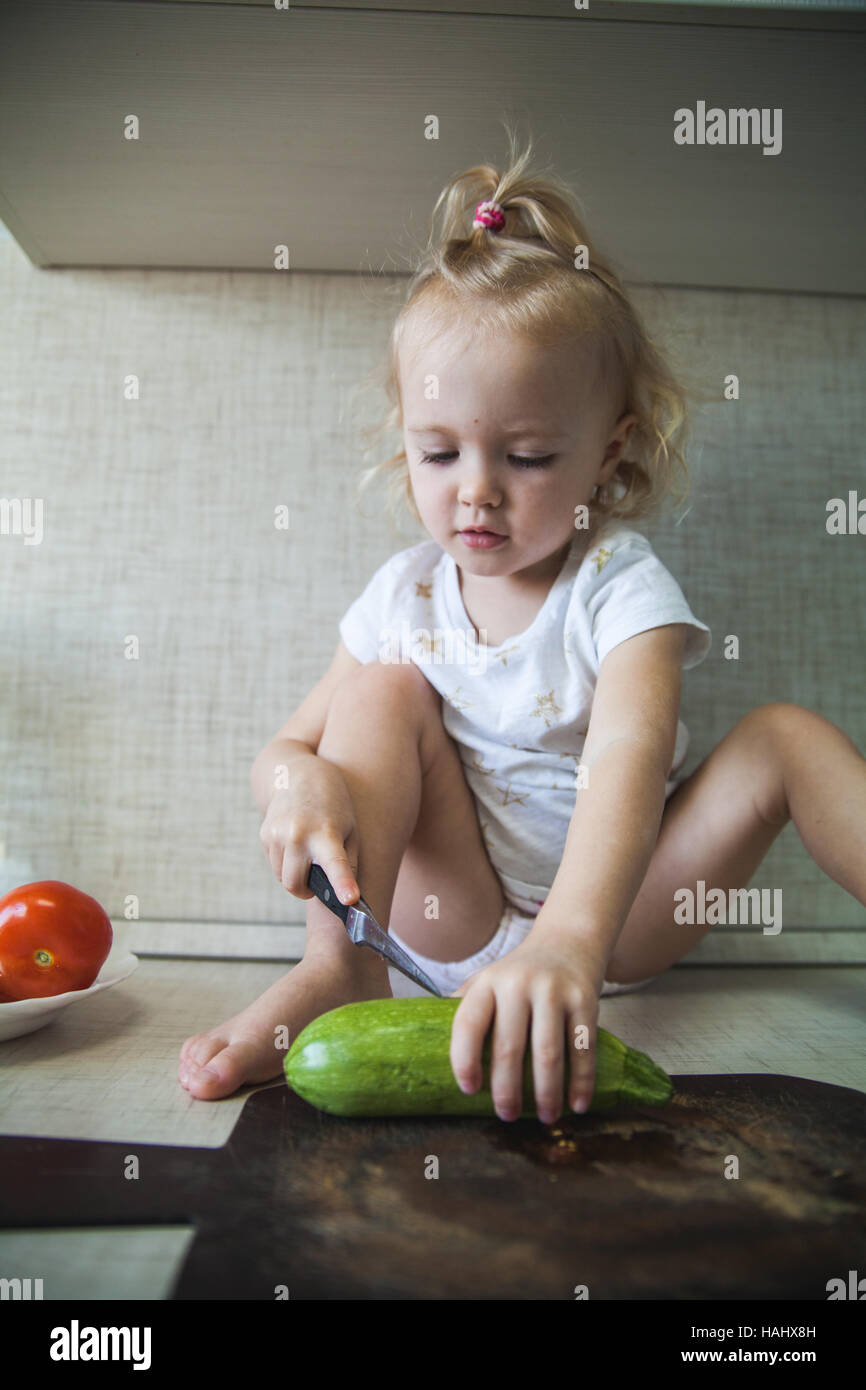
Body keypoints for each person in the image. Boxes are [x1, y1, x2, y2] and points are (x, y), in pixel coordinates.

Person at [179, 136, 866, 1122]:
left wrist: (569, 942)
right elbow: (286, 747)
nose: (477, 492)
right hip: (446, 915)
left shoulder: (618, 586)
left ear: (606, 452)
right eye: (439, 451)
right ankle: (337, 968)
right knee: (378, 689)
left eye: (530, 455)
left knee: (785, 739)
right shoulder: (402, 596)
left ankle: (562, 949)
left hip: (614, 919)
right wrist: (296, 782)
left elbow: (628, 757)